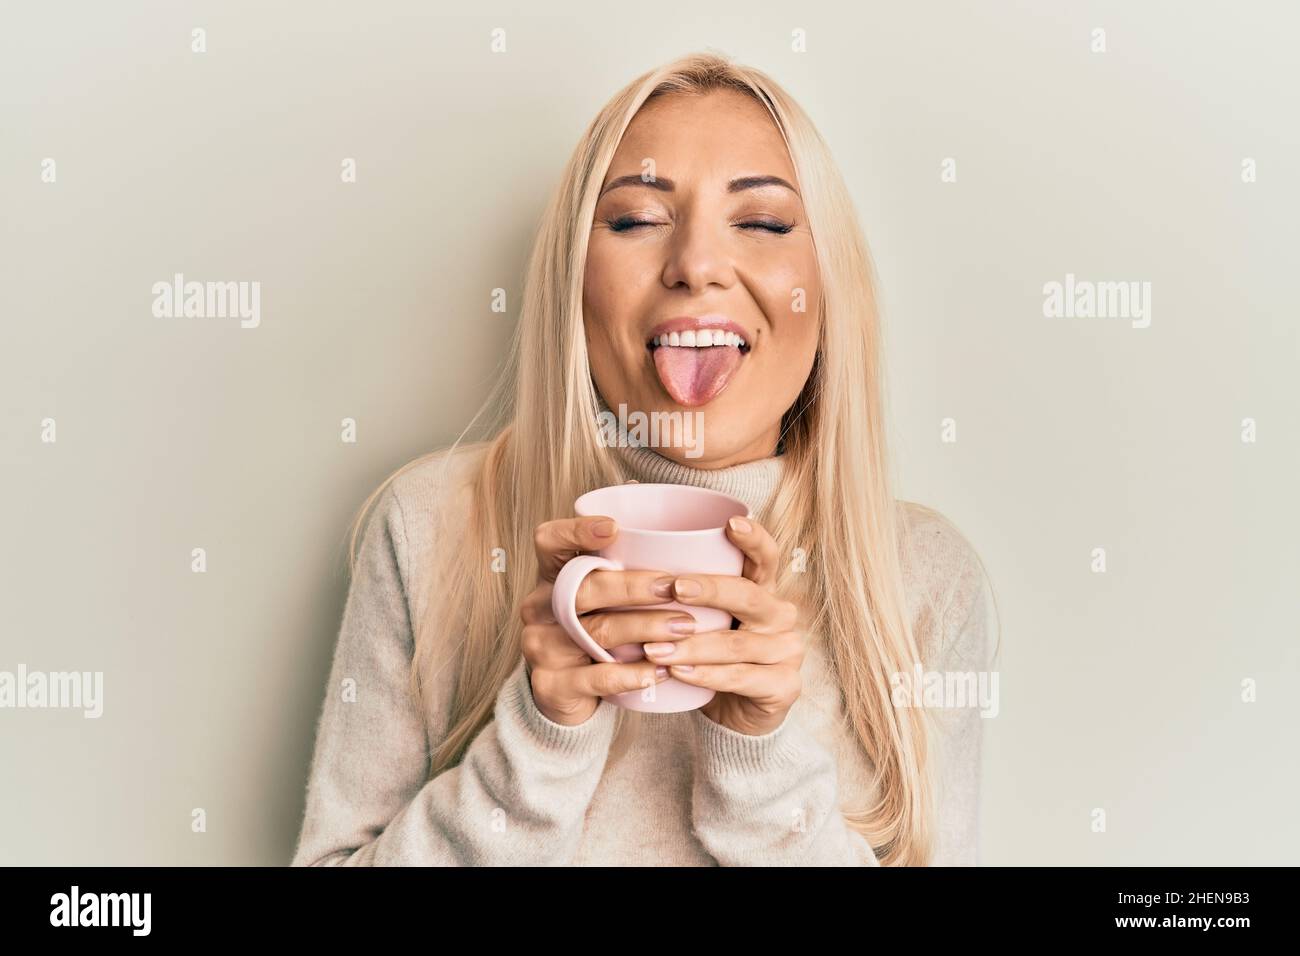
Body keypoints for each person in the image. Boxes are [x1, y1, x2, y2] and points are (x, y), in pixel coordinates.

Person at [290, 51, 998, 867]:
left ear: (829, 288)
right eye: (633, 220)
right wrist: (539, 743)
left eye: (763, 223)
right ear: (573, 281)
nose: (696, 265)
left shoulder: (923, 579)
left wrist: (762, 765)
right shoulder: (432, 528)